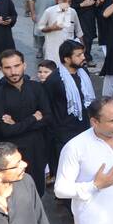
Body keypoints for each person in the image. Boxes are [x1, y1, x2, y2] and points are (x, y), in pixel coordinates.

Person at [0, 50, 54, 196]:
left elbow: (48, 118)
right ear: (1, 69)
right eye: (8, 68)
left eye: (17, 66)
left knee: (38, 192)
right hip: (13, 155)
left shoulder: (37, 88)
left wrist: (17, 124)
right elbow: (5, 131)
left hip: (38, 149)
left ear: (24, 65)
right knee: (17, 194)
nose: (13, 71)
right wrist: (33, 118)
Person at [46, 40, 96, 170]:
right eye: (78, 55)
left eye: (83, 54)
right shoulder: (55, 80)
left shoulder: (83, 73)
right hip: (64, 133)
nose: (83, 57)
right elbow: (48, 107)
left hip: (85, 128)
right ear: (67, 59)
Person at [36, 0, 82, 65]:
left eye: (69, 2)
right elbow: (40, 28)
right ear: (57, 0)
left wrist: (82, 47)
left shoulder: (73, 12)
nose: (67, 4)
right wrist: (51, 28)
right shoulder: (49, 11)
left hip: (68, 51)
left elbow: (79, 31)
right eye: (64, 1)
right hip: (52, 50)